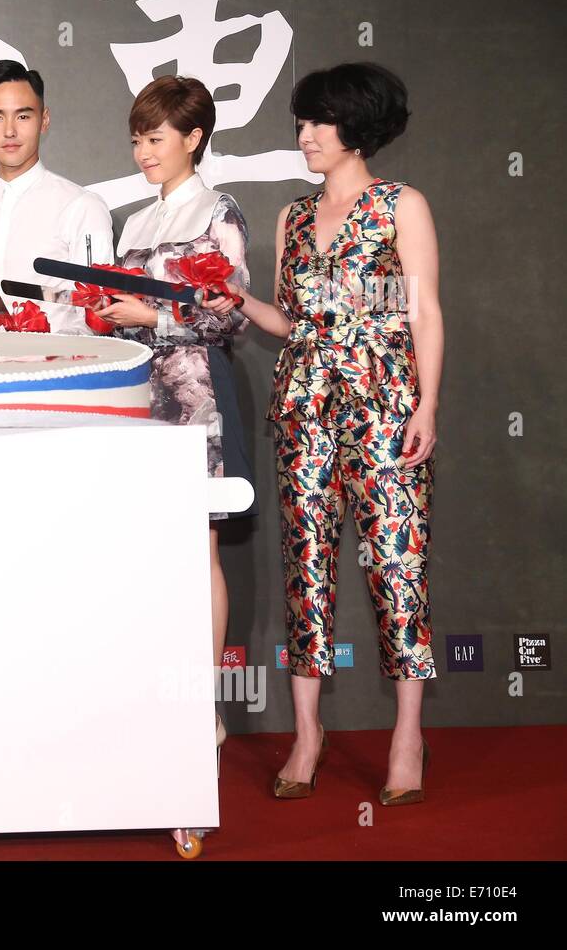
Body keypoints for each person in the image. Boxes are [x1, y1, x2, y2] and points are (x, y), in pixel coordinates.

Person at [224, 63, 442, 804]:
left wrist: (427, 407)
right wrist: (242, 300)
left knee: (396, 566)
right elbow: (294, 324)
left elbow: (424, 313)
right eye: (301, 123)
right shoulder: (291, 216)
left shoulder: (400, 205)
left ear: (357, 125)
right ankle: (308, 735)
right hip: (303, 407)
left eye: (318, 122)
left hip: (385, 405)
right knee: (306, 566)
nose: (304, 136)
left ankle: (407, 737)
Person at [97, 75, 256, 752]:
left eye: (155, 137)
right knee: (149, 551)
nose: (143, 151)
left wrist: (152, 314)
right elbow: (121, 306)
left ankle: (201, 709)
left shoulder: (219, 212)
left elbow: (230, 317)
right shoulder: (134, 219)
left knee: (198, 549)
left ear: (193, 138)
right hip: (138, 393)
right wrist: (105, 312)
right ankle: (152, 700)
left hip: (195, 392)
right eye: (136, 138)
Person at [0, 60, 114, 333]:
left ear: (45, 120)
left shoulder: (81, 207)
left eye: (23, 116)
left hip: (56, 369)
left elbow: (100, 318)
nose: (9, 131)